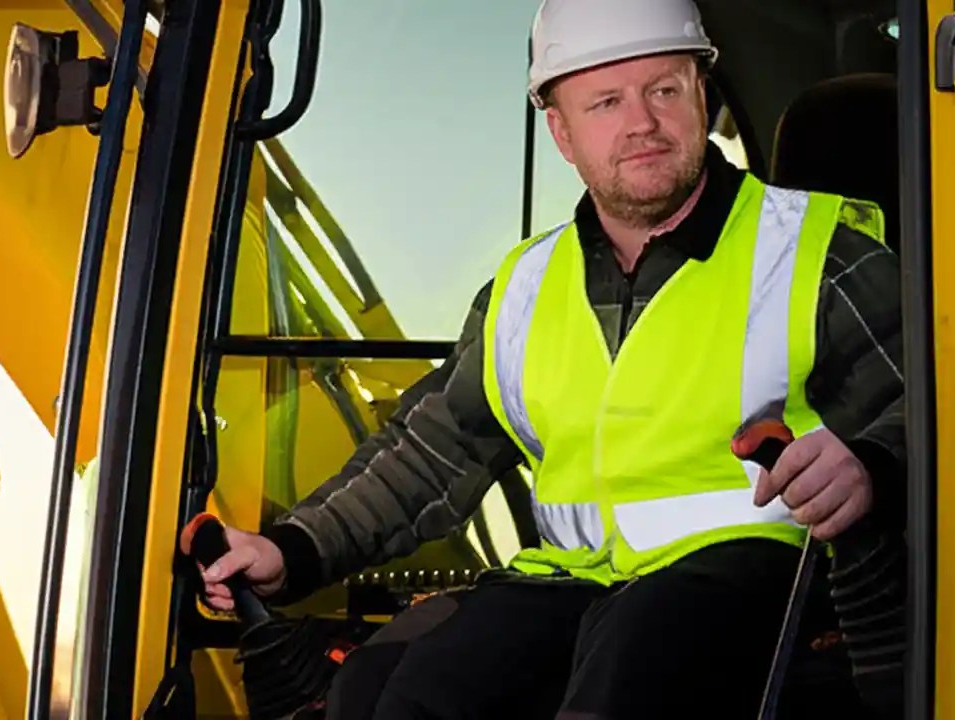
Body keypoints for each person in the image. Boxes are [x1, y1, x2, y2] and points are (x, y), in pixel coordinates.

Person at [182, 0, 908, 717]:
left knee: (636, 656)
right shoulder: (524, 289)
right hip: (576, 582)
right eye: (605, 102)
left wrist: (872, 464)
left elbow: (954, 407)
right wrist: (294, 549)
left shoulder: (818, 256)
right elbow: (431, 454)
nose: (642, 123)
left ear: (700, 93)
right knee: (396, 687)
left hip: (755, 581)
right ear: (561, 132)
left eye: (663, 89)